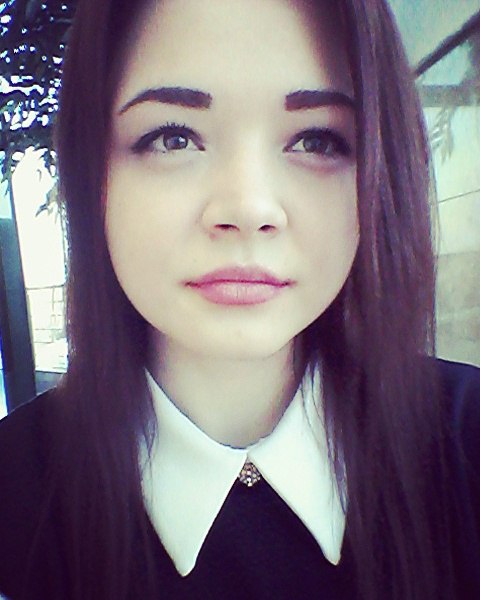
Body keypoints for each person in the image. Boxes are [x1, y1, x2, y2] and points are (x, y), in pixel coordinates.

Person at [0, 0, 479, 598]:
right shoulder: (15, 494)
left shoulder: (466, 442)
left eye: (317, 139)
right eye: (173, 137)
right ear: (92, 172)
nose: (248, 209)